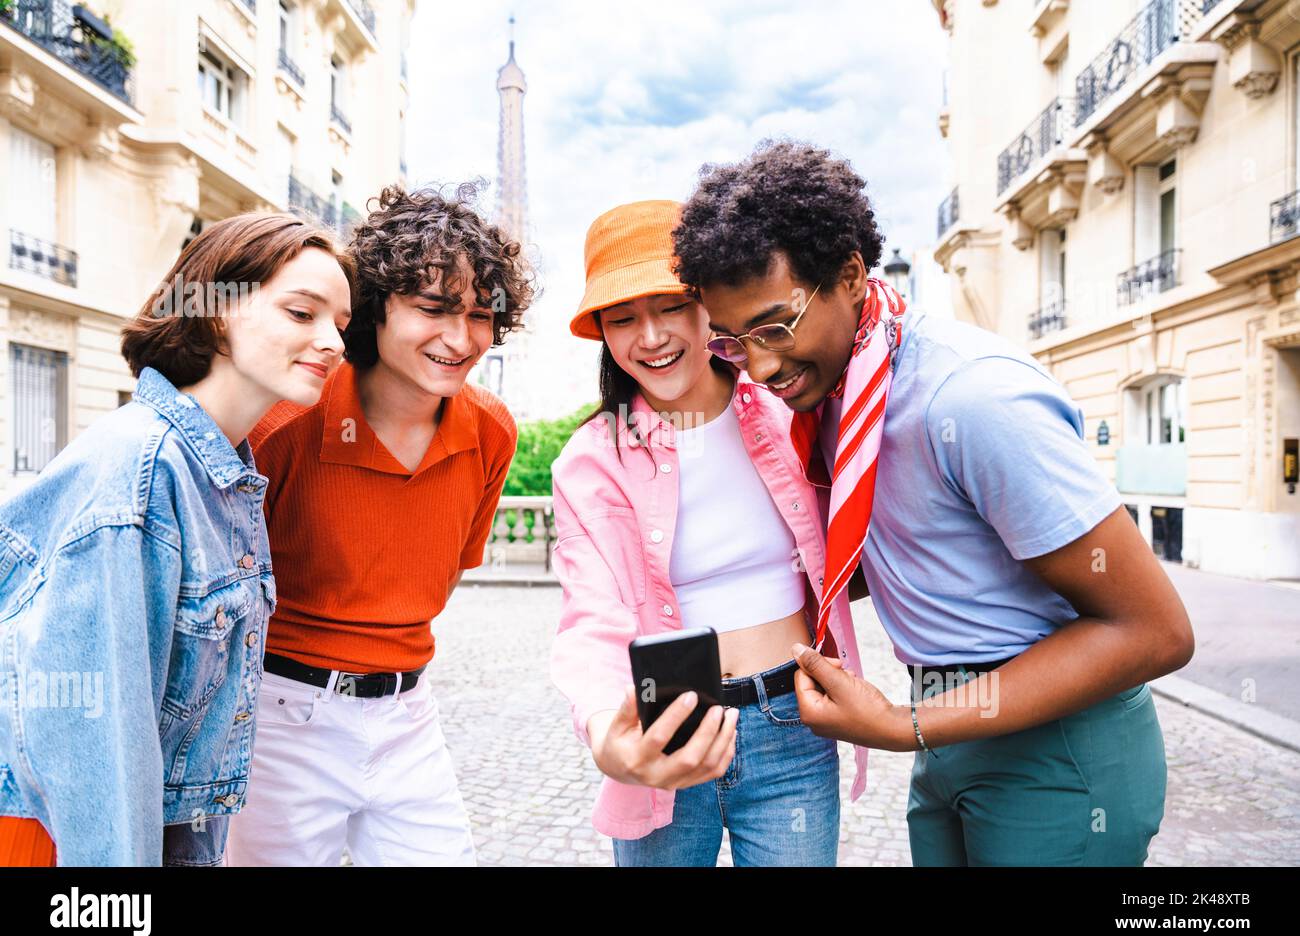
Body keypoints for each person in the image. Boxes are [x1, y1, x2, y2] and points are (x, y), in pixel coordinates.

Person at [673, 141, 1195, 866]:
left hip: (1059, 755)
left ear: (852, 275)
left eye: (774, 327)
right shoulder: (842, 395)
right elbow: (879, 555)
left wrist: (900, 720)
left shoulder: (972, 396)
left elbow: (1156, 632)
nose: (759, 367)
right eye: (733, 344)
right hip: (949, 738)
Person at [0, 213, 353, 865]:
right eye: (303, 313)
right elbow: (98, 749)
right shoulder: (141, 470)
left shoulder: (221, 472)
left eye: (341, 323)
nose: (332, 341)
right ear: (215, 311)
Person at [549, 199, 870, 867]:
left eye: (670, 305)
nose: (652, 335)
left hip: (793, 719)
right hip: (665, 724)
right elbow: (591, 618)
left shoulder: (790, 409)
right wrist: (613, 737)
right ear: (601, 332)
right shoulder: (590, 459)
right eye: (622, 317)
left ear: (707, 303)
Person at [225, 183, 535, 867]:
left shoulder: (491, 429)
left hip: (409, 715)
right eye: (433, 308)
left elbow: (447, 569)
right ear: (378, 309)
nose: (460, 339)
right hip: (283, 716)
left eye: (482, 315)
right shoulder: (289, 417)